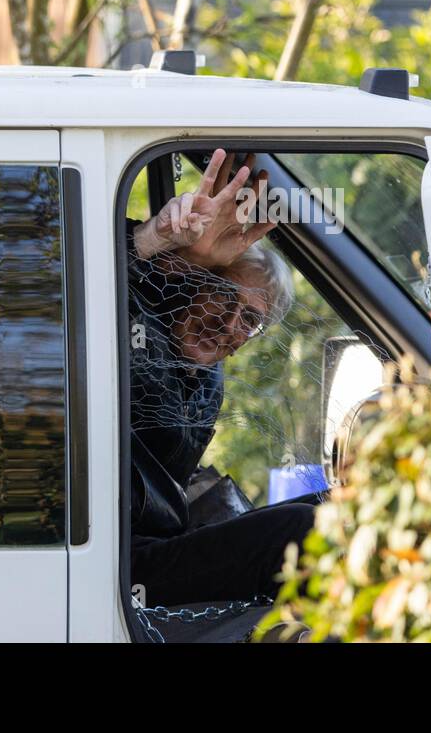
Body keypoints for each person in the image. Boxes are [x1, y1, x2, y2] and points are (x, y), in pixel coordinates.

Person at [127, 149, 318, 608]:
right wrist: (158, 240)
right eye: (222, 295)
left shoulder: (209, 383)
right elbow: (79, 281)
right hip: (114, 565)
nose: (230, 324)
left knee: (326, 506)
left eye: (250, 320)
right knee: (301, 531)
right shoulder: (126, 322)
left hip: (159, 546)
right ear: (190, 281)